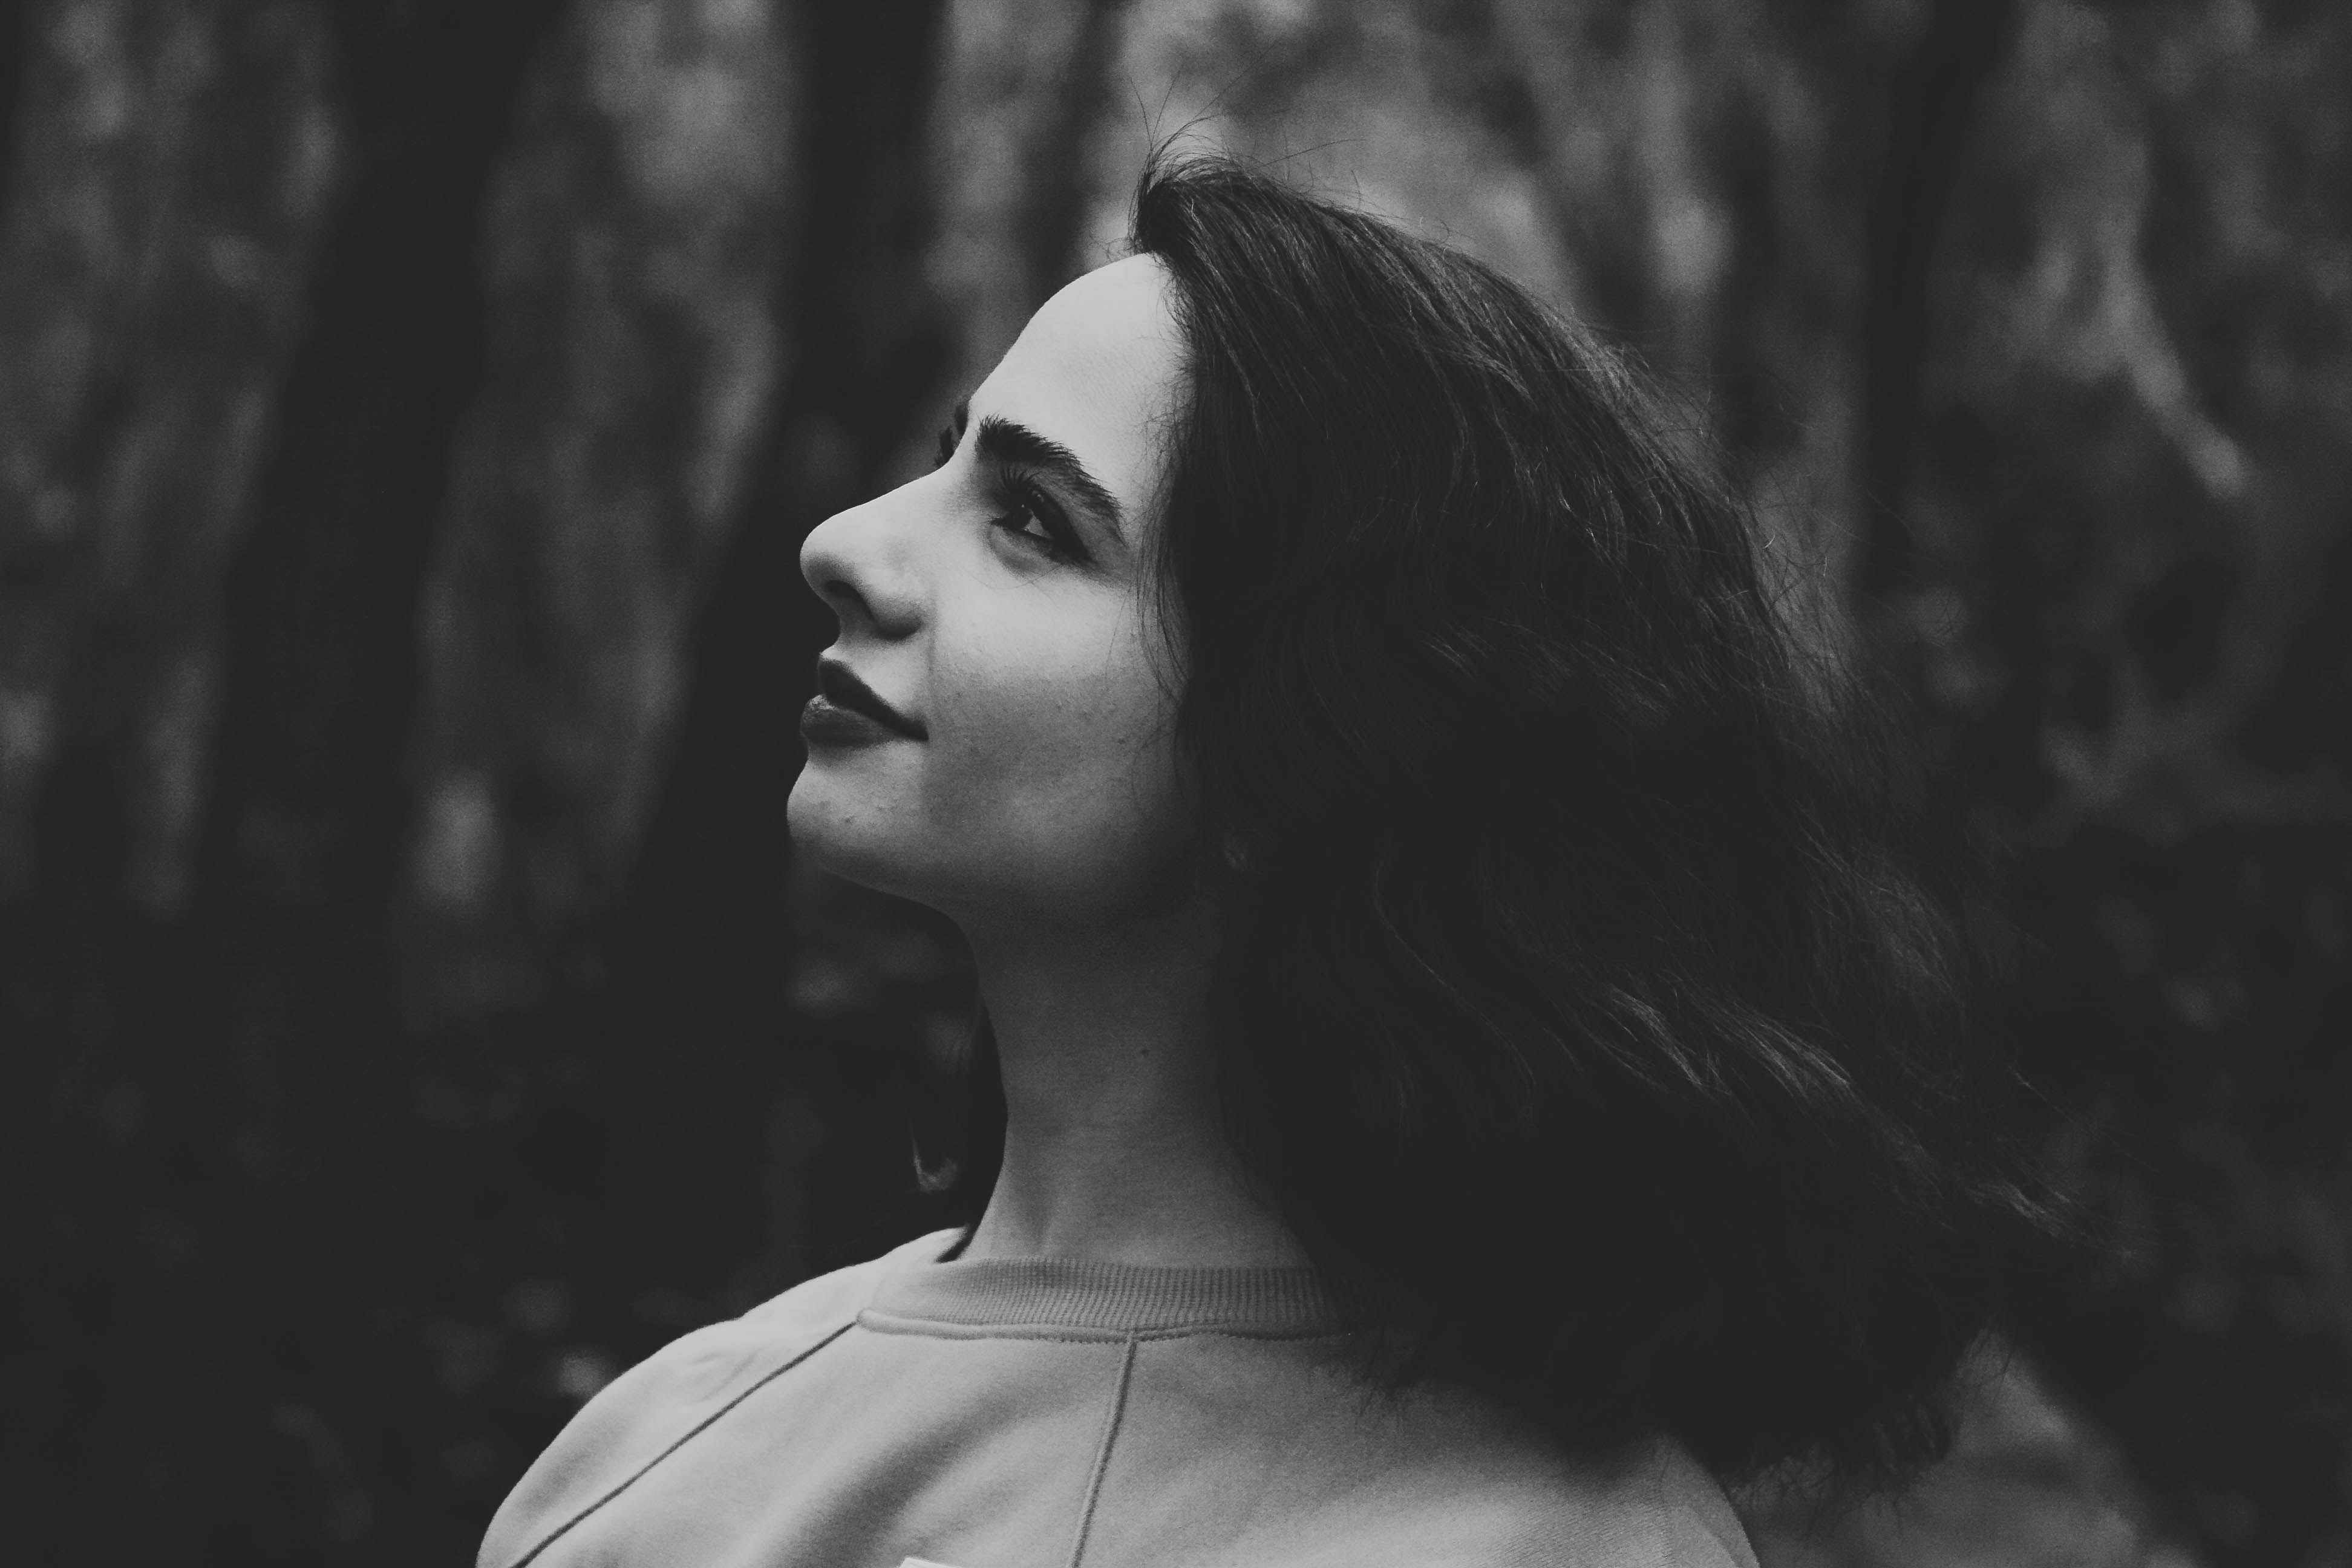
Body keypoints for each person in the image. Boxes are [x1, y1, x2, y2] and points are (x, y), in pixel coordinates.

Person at [478, 154, 2059, 1568]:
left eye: (1034, 523)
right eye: (945, 462)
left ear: (1311, 742)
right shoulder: (657, 1463)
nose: (851, 542)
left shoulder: (1543, 1547)